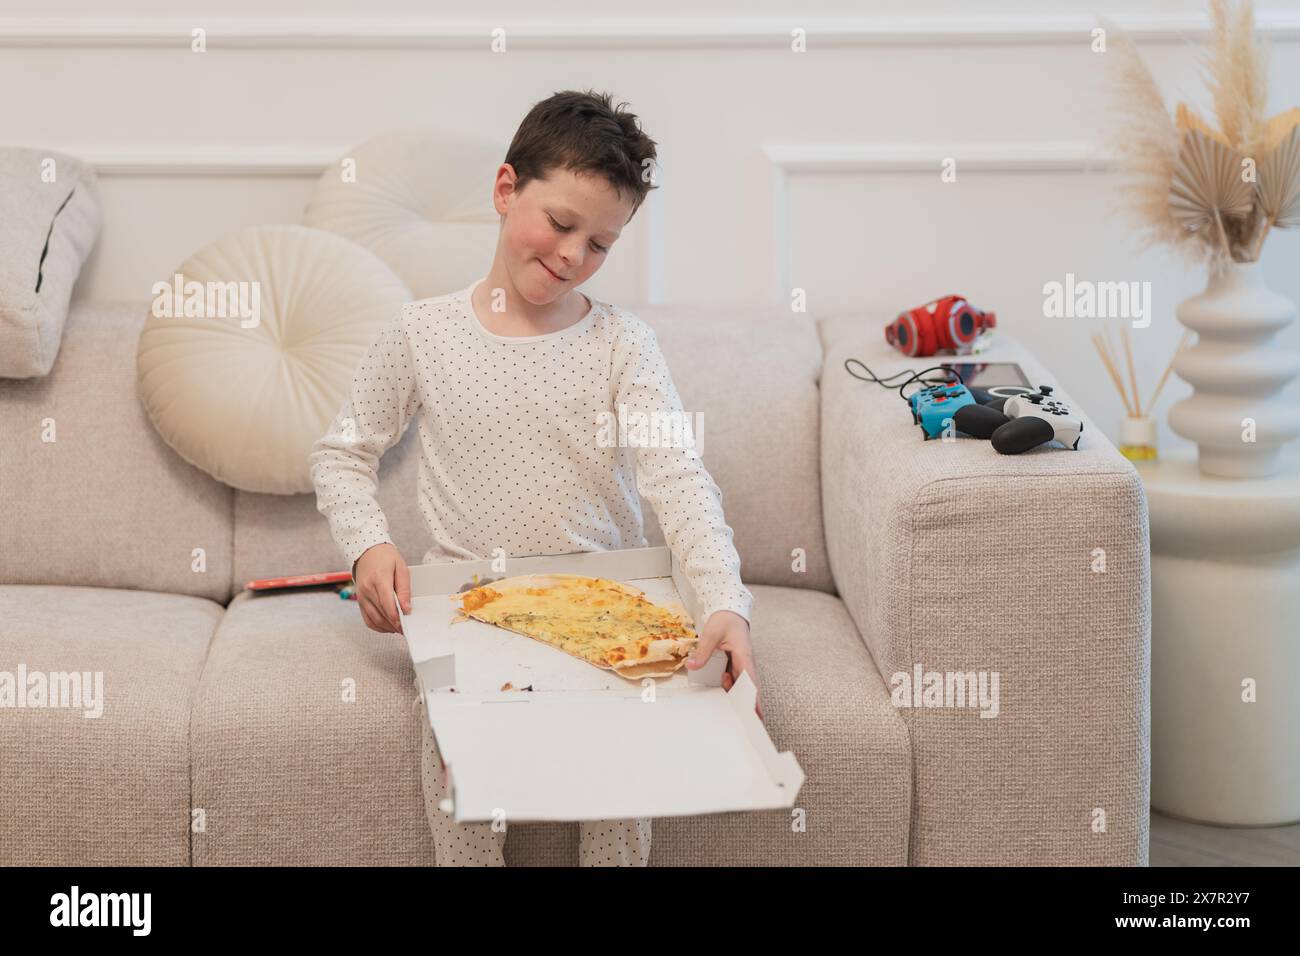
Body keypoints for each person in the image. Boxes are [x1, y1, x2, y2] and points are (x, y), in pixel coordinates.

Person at [309, 89, 760, 867]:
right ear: (505, 189)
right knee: (463, 787)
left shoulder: (624, 344)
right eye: (560, 224)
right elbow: (342, 453)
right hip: (468, 612)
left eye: (601, 243)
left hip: (606, 610)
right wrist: (368, 546)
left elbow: (678, 479)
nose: (573, 255)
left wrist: (725, 600)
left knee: (622, 794)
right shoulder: (422, 332)